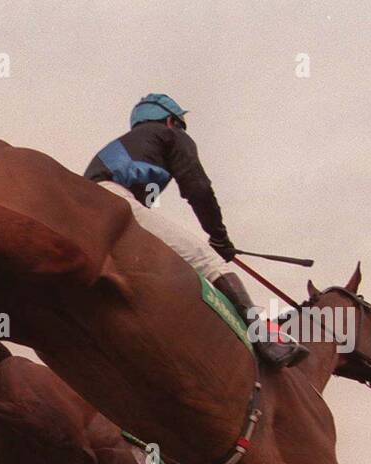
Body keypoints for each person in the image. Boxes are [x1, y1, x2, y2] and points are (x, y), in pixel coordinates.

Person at [85, 93, 307, 370]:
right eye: (179, 125)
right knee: (206, 260)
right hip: (114, 201)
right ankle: (262, 337)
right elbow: (198, 189)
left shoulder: (123, 145)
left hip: (88, 205)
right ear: (170, 121)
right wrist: (219, 237)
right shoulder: (171, 136)